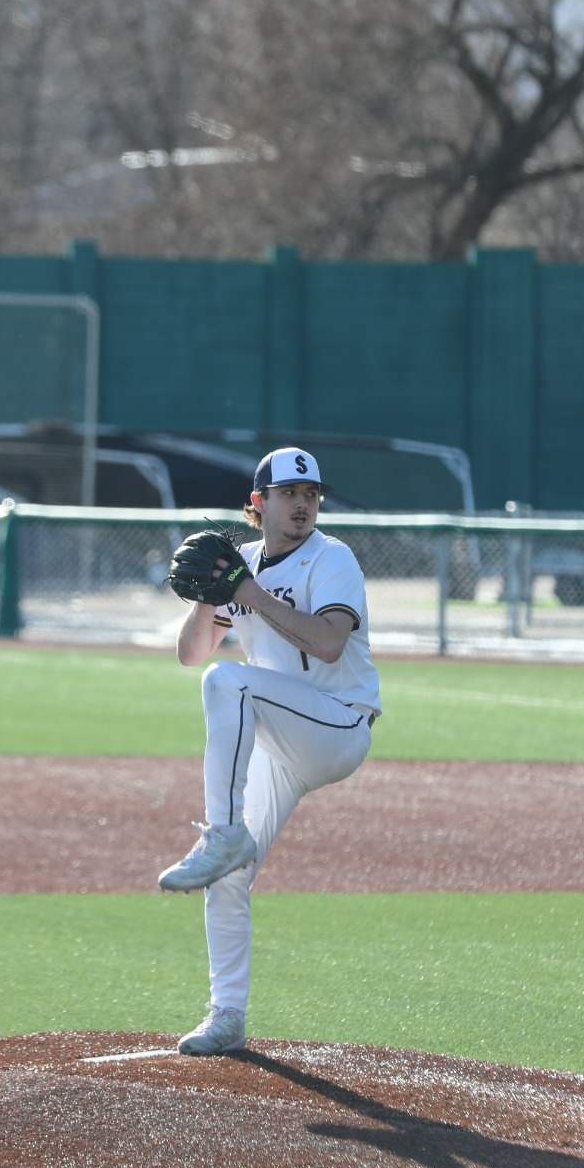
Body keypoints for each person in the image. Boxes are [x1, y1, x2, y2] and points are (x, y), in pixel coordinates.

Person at [156, 446, 381, 1055]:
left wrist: (248, 594)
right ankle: (226, 1014)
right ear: (257, 505)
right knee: (227, 877)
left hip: (337, 726)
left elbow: (331, 644)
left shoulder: (332, 558)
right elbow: (190, 652)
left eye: (310, 494)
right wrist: (212, 592)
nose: (302, 503)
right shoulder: (246, 565)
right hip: (283, 737)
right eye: (288, 493)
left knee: (229, 682)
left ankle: (223, 832)